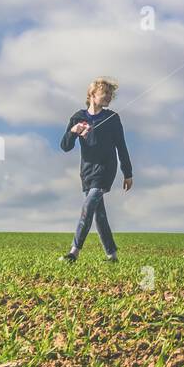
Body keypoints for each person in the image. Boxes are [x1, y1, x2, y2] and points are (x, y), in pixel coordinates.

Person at [60, 77, 133, 262]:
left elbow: (121, 146)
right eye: (105, 93)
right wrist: (74, 131)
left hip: (106, 170)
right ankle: (112, 255)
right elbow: (65, 146)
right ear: (92, 95)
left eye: (110, 94)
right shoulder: (78, 117)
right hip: (87, 172)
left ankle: (74, 252)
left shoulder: (112, 118)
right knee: (99, 215)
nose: (109, 97)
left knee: (89, 205)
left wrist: (128, 173)